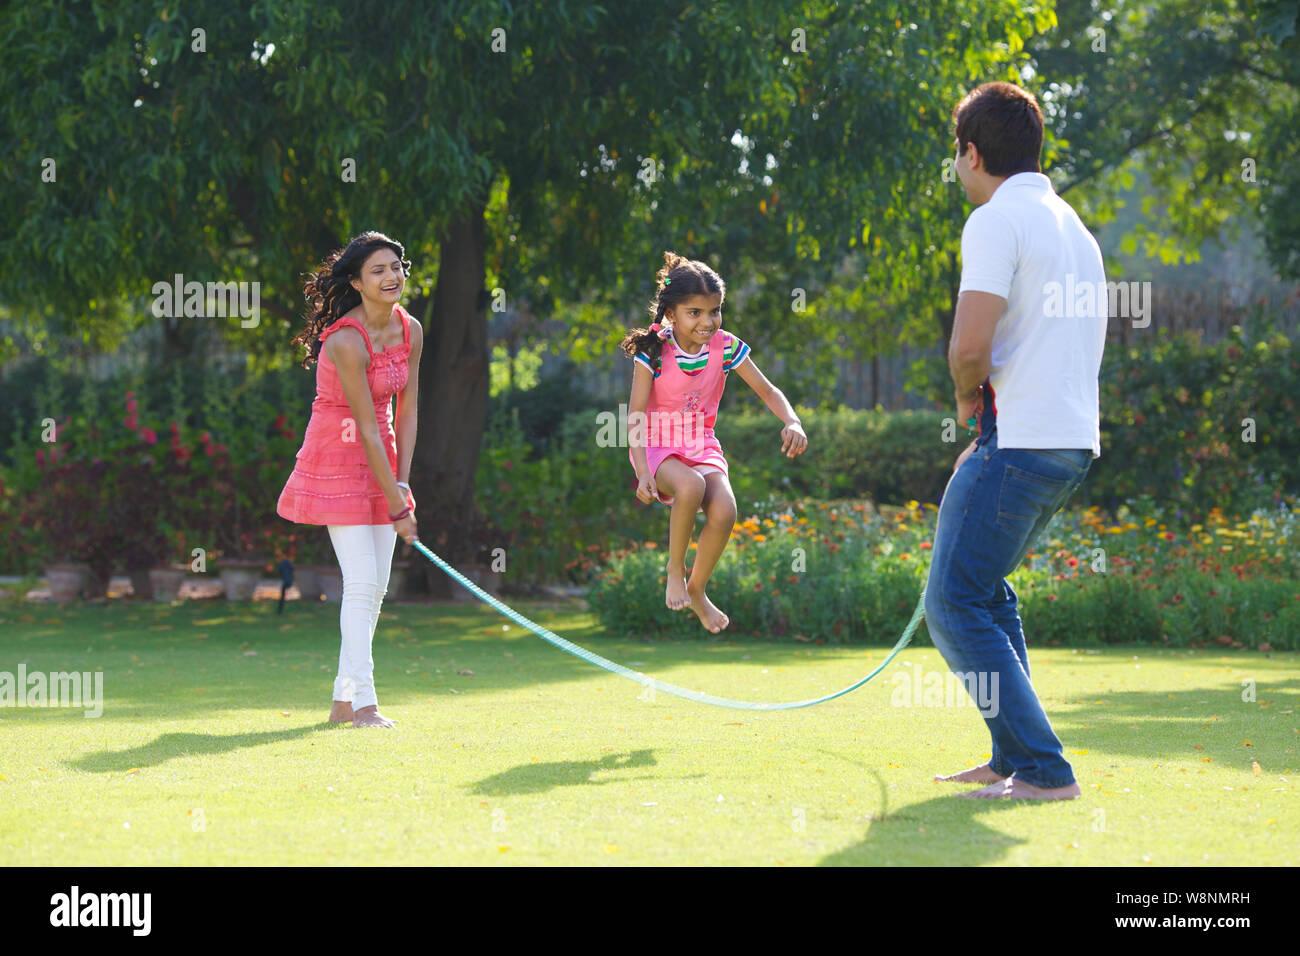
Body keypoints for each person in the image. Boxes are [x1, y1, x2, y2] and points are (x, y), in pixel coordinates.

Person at [926, 82, 1107, 799]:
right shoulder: (1073, 226)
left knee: (953, 603)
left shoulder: (997, 221)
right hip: (1068, 446)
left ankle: (1043, 768)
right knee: (988, 595)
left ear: (972, 153)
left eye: (956, 154)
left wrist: (971, 407)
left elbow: (969, 347)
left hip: (1022, 440)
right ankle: (1010, 759)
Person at [277, 231, 423, 729]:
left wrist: (401, 486)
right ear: (357, 283)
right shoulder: (343, 339)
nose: (392, 276)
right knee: (361, 583)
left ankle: (343, 698)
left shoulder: (411, 329)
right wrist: (397, 507)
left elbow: (407, 412)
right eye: (378, 270)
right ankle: (364, 704)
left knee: (376, 587)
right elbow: (362, 426)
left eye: (397, 266)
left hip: (383, 454)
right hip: (337, 454)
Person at [621, 251, 808, 633]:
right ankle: (675, 568)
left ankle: (697, 589)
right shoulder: (654, 351)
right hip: (657, 445)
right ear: (671, 313)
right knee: (691, 485)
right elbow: (636, 415)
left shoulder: (726, 346)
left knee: (724, 511)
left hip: (700, 443)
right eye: (695, 313)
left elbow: (768, 391)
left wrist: (792, 420)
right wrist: (642, 471)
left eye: (715, 311)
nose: (708, 321)